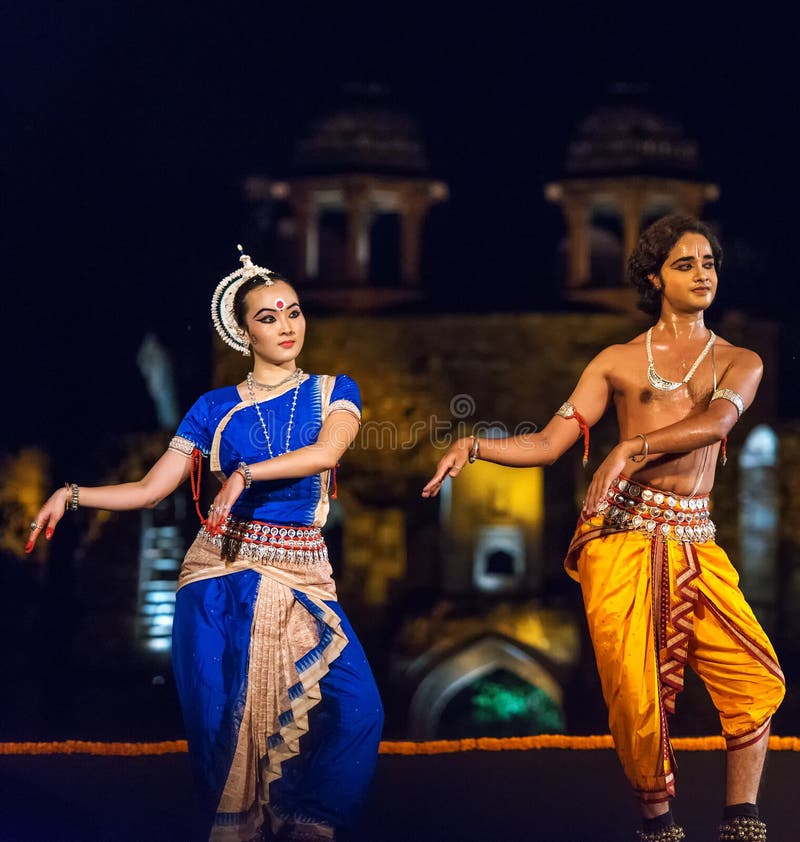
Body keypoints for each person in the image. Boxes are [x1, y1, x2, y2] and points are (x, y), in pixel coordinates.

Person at [423, 215, 784, 841]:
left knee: (756, 678)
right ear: (655, 278)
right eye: (685, 264)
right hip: (621, 536)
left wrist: (629, 448)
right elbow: (547, 443)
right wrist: (475, 446)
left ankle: (741, 819)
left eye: (709, 263)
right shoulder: (617, 362)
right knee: (634, 694)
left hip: (694, 538)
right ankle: (659, 826)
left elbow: (717, 425)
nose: (702, 274)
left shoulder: (739, 360)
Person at [28, 248, 384, 842]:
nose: (287, 325)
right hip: (222, 578)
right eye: (268, 317)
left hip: (303, 573)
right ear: (244, 333)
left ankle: (311, 822)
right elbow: (151, 490)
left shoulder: (333, 391)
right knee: (229, 726)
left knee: (358, 707)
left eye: (293, 312)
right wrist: (72, 495)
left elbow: (326, 453)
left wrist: (245, 473)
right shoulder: (213, 408)